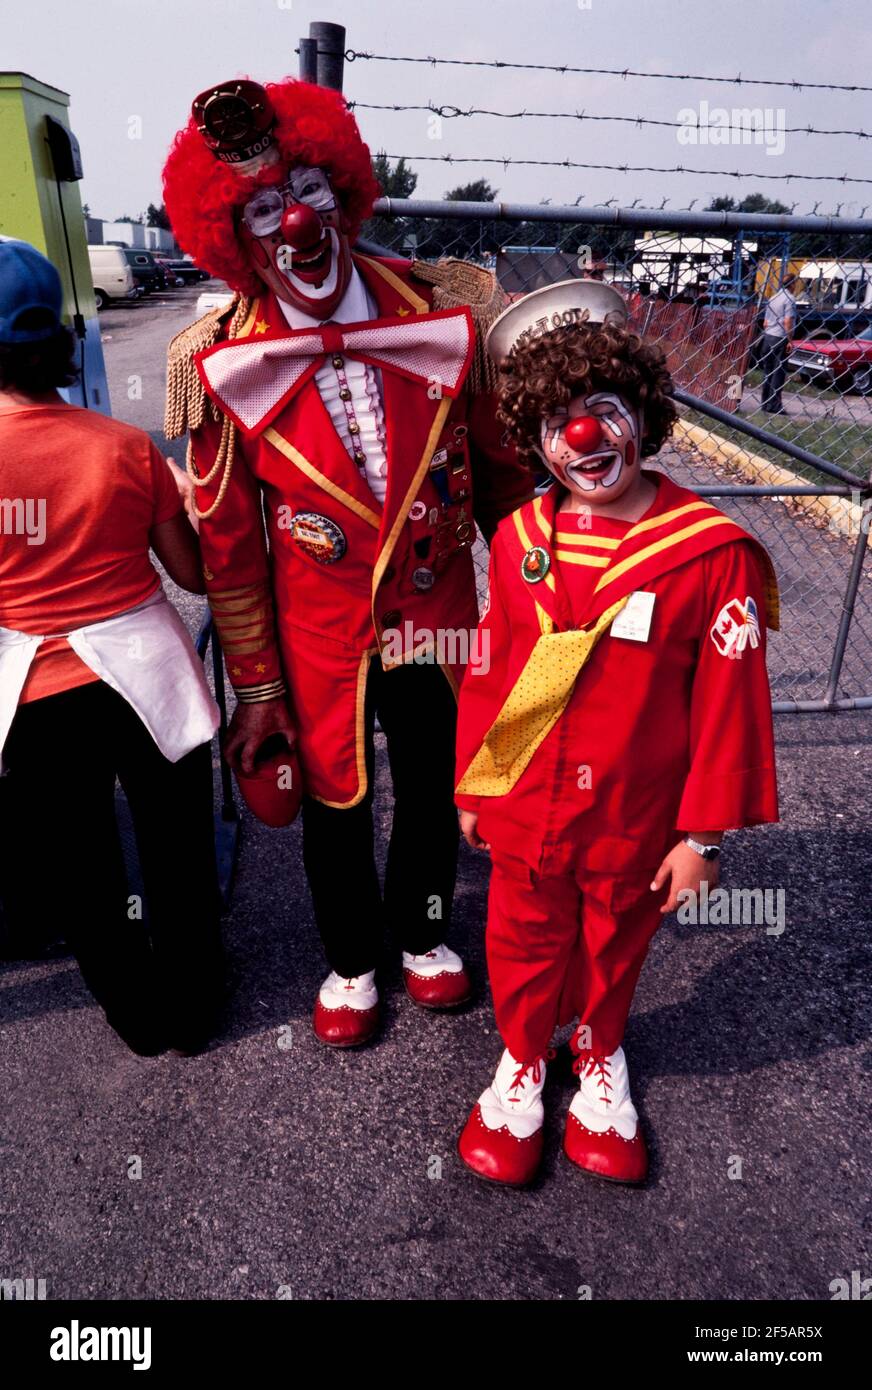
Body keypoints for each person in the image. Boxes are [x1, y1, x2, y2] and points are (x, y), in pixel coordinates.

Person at [162, 77, 532, 1048]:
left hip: (438, 610)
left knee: (428, 778)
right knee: (336, 797)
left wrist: (548, 594)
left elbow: (498, 480)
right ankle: (352, 958)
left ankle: (418, 937)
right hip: (318, 634)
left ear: (343, 191)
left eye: (307, 190)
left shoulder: (444, 311)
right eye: (257, 206)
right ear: (234, 234)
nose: (292, 219)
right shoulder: (216, 365)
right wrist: (255, 689)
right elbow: (232, 556)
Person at [454, 280, 779, 1186]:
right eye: (557, 421)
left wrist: (702, 835)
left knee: (613, 941)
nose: (584, 439)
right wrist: (479, 786)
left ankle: (599, 1056)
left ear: (644, 409)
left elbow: (731, 703)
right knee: (519, 937)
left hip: (637, 814)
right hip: (528, 806)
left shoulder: (710, 555)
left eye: (602, 411)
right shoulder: (522, 536)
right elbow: (499, 671)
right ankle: (521, 1059)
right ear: (532, 437)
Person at [0, 240, 224, 1056]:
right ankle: (195, 1004)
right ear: (58, 342)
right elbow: (192, 576)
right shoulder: (124, 449)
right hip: (145, 679)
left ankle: (137, 1015)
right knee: (176, 851)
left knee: (84, 869)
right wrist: (200, 506)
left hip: (32, 691)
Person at [760, 272, 798, 413]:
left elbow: (765, 322)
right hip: (780, 338)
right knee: (779, 372)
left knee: (768, 371)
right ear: (792, 284)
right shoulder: (790, 299)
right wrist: (790, 340)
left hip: (768, 337)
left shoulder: (773, 297)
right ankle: (775, 405)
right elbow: (788, 321)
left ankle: (765, 403)